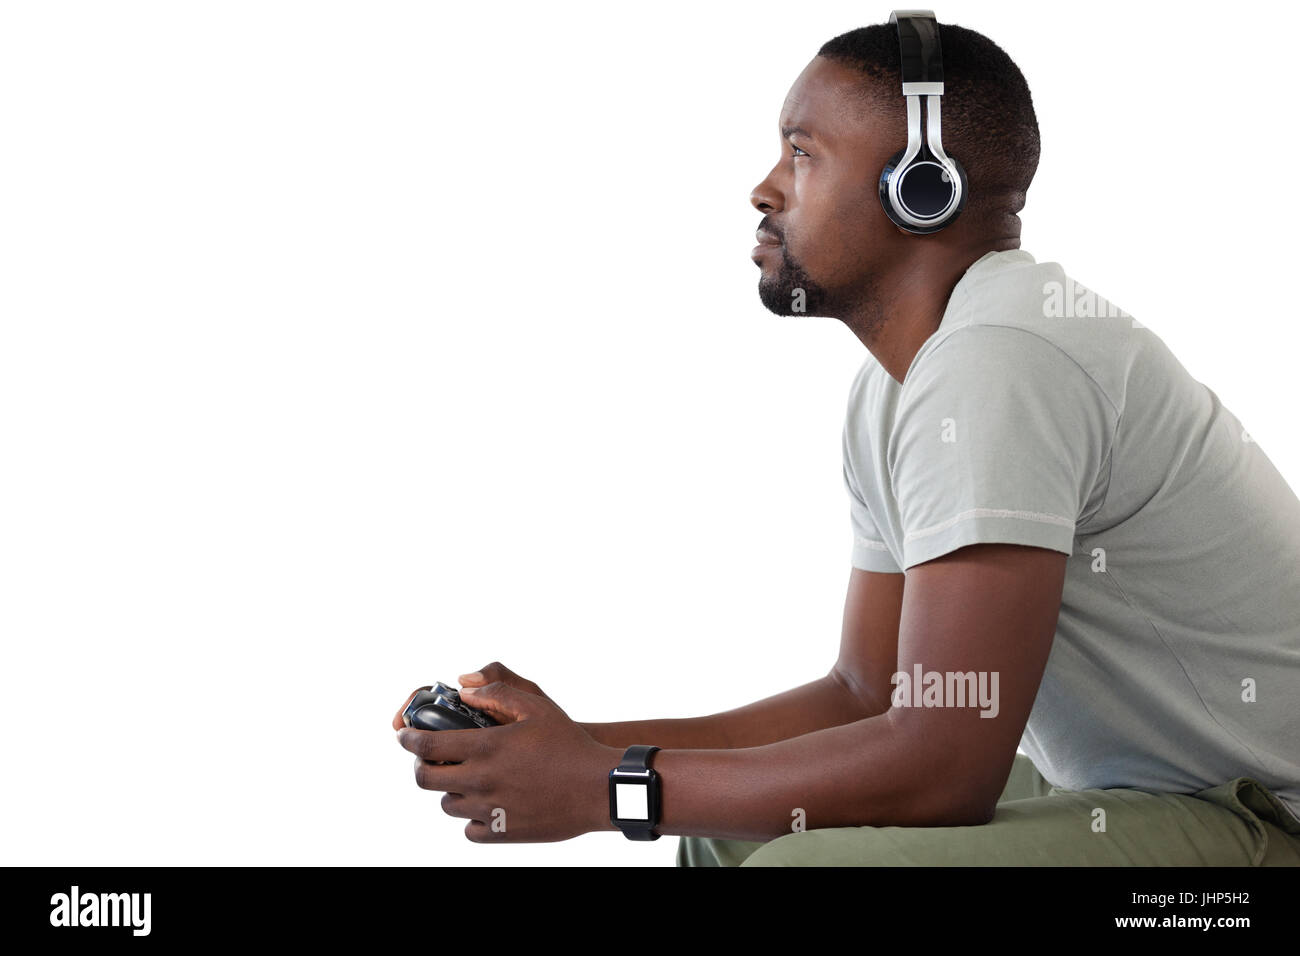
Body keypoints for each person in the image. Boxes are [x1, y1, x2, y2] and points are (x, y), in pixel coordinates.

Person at [392, 19, 1300, 865]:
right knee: (724, 835)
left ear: (921, 185)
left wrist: (611, 791)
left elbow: (946, 767)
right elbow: (867, 698)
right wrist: (579, 749)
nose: (765, 187)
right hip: (1149, 795)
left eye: (801, 152)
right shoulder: (905, 387)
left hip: (1264, 820)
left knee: (812, 865)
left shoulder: (1003, 360)